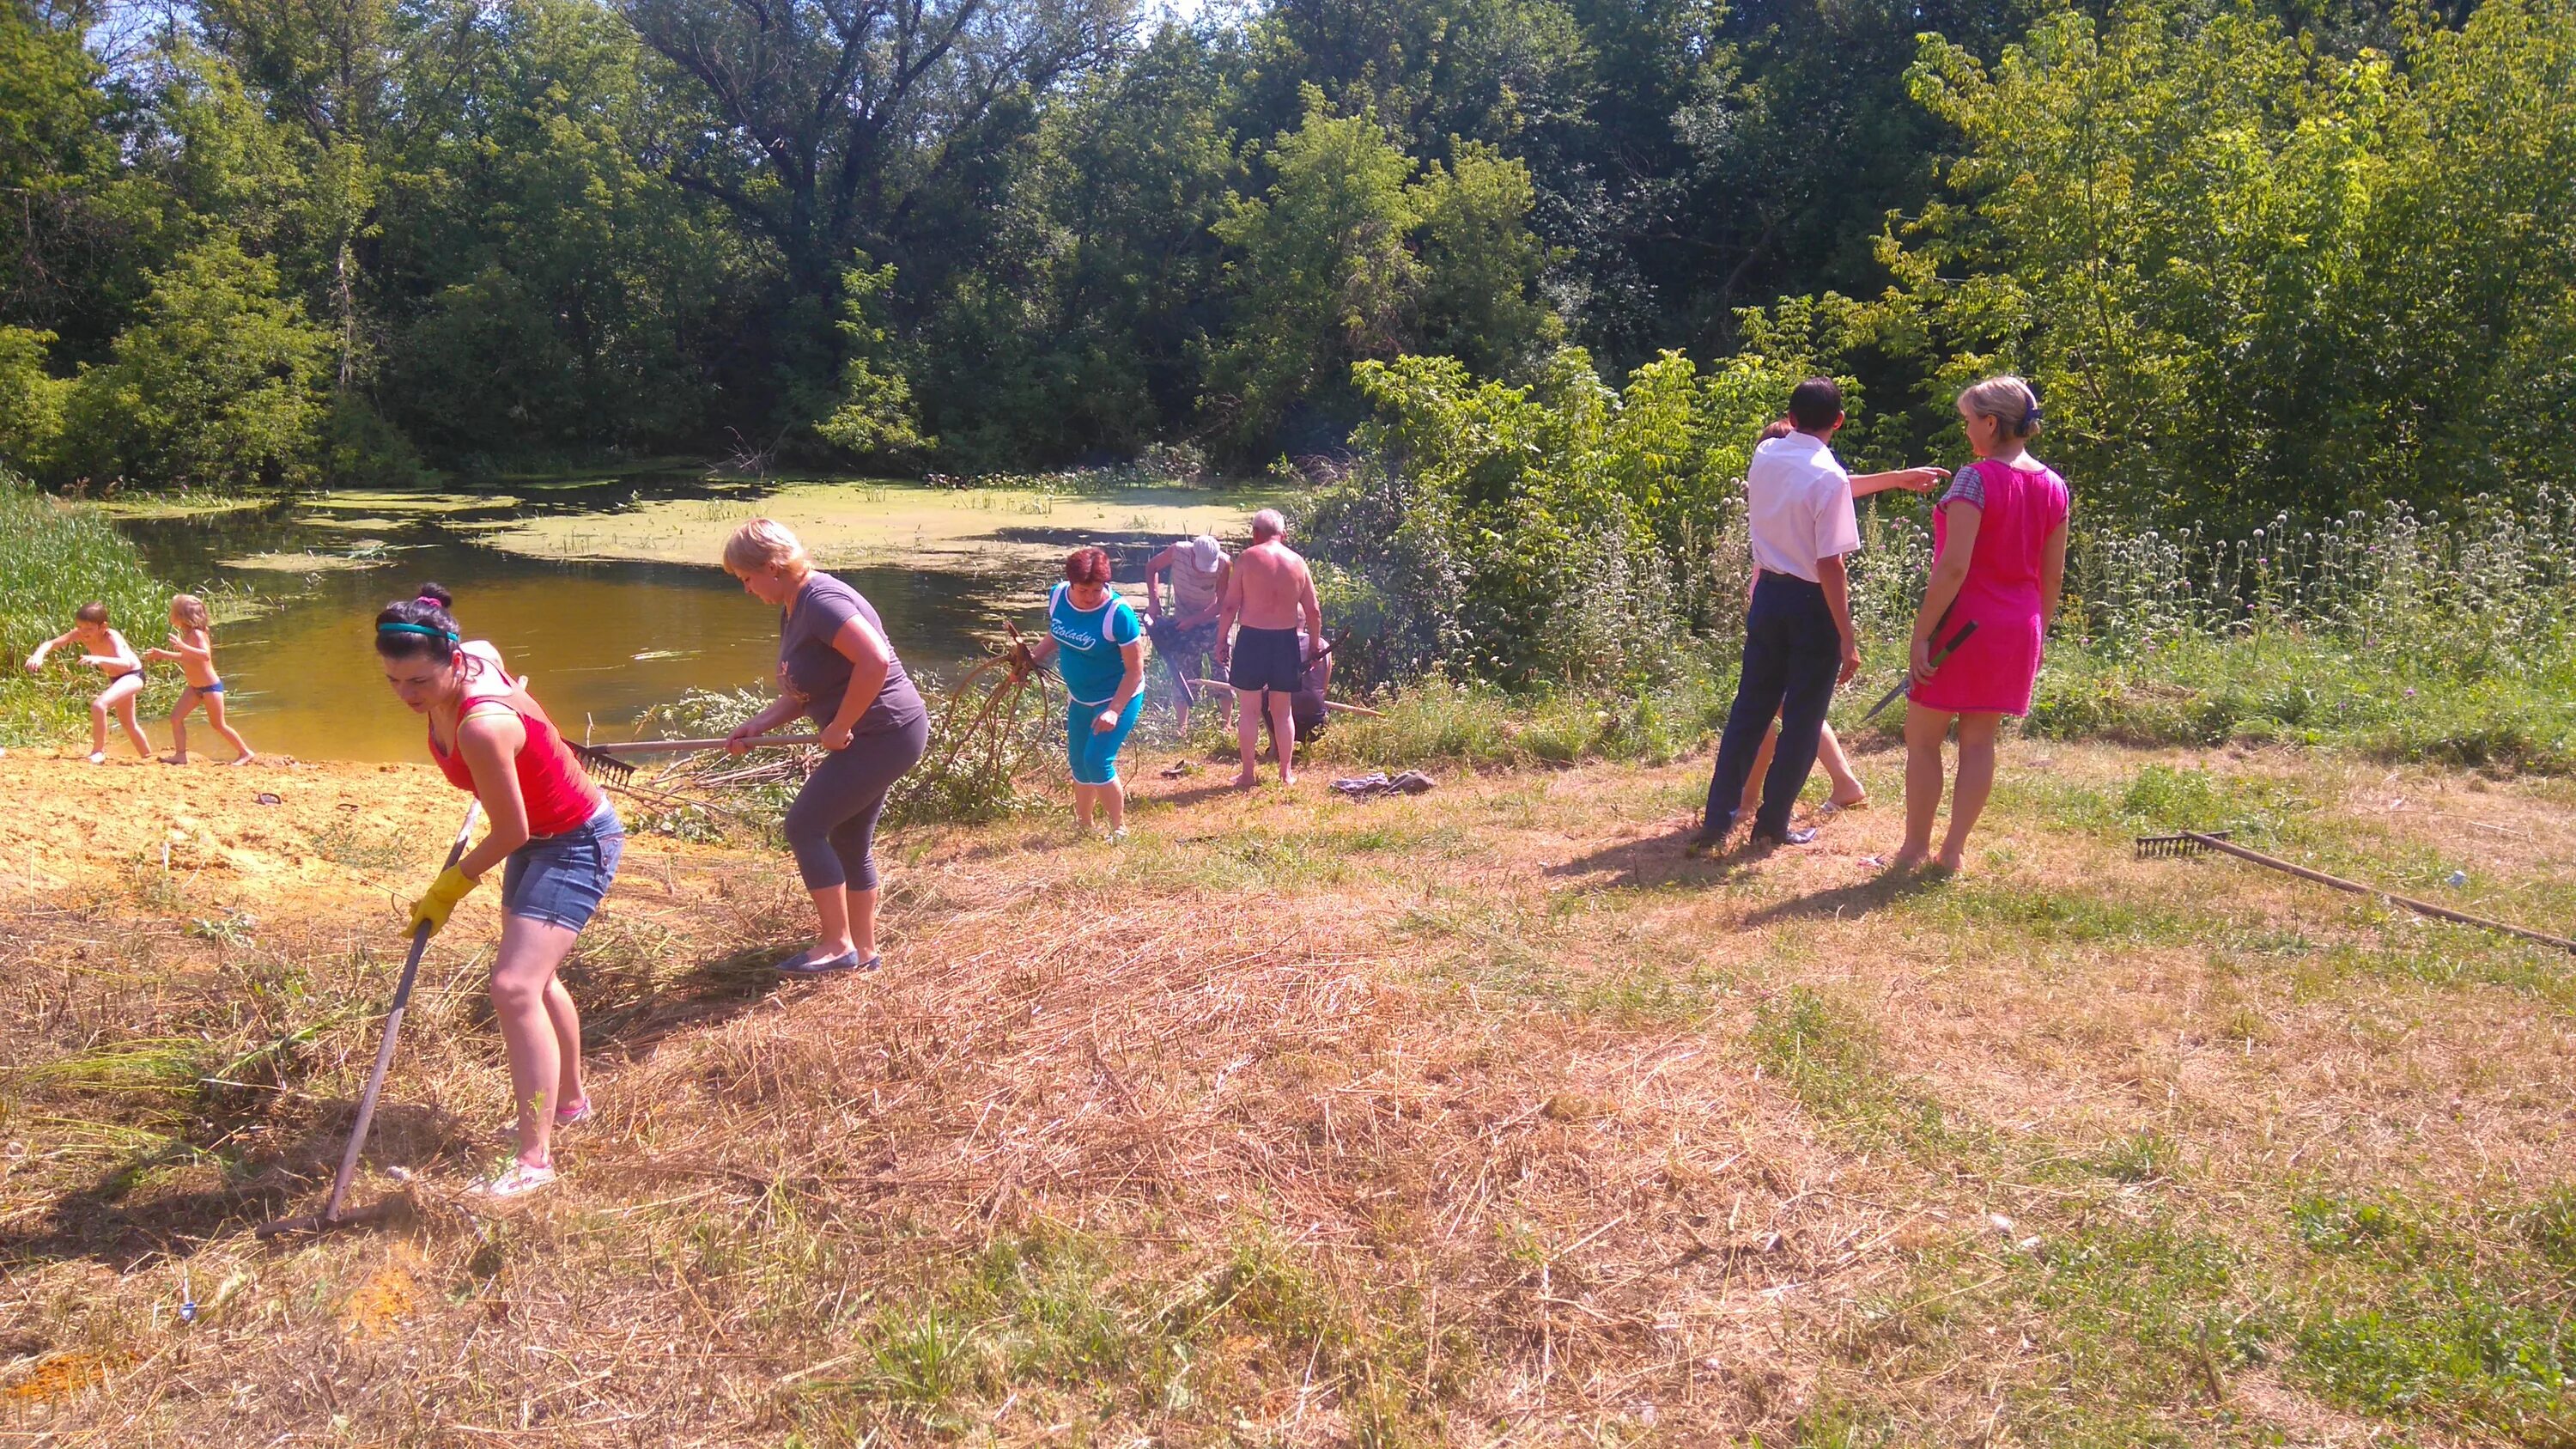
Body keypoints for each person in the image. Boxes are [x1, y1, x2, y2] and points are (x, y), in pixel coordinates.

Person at [376, 591, 623, 1200]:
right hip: (537, 836)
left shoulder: (483, 727)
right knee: (535, 980)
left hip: (574, 839)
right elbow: (491, 651)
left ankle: (534, 1161)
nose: (409, 694)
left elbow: (509, 831)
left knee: (513, 986)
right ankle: (569, 1104)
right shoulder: (474, 655)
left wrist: (452, 882)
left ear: (453, 660)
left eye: (421, 680)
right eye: (394, 680)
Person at [1691, 381, 1948, 853]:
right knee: (1804, 720)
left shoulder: (1767, 454)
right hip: (1811, 606)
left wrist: (1895, 477)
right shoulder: (1825, 477)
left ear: (1790, 416)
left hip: (1768, 595)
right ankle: (1771, 826)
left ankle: (1717, 822)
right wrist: (1847, 637)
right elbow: (1831, 562)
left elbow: (1824, 486)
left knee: (1748, 713)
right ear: (1840, 420)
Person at [720, 519, 929, 974]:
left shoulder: (823, 601)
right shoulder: (794, 604)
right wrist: (760, 723)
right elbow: (808, 688)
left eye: (747, 578)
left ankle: (837, 945)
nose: (747, 589)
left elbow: (874, 660)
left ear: (772, 567)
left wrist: (841, 725)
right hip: (879, 734)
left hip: (884, 733)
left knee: (804, 826)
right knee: (849, 840)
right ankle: (865, 952)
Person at [1891, 376, 2071, 874]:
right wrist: (2038, 634)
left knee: (1923, 737)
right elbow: (2051, 576)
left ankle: (1913, 850)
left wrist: (1921, 634)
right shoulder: (2055, 485)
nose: (1967, 429)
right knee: (1979, 741)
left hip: (1964, 625)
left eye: (1970, 420)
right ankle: (1952, 852)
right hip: (2018, 627)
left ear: (1992, 424)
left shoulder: (1975, 478)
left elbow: (1953, 566)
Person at [1727, 417, 1930, 819]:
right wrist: (1895, 478)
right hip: (1779, 605)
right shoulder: (1785, 473)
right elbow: (1833, 486)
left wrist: (1895, 478)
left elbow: (1834, 491)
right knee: (1791, 707)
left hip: (1784, 607)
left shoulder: (1778, 469)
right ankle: (1843, 783)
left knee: (1771, 709)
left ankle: (1748, 802)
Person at [1024, 547, 1146, 837]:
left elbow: (1135, 670)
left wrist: (1114, 711)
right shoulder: (1058, 596)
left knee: (1097, 760)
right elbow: (1058, 632)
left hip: (1117, 697)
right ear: (1070, 584)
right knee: (1078, 762)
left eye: (1096, 590)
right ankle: (1085, 826)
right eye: (1083, 590)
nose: (1090, 597)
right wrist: (1031, 660)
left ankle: (1119, 830)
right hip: (1080, 697)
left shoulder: (1118, 614)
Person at [1216, 508, 1322, 788]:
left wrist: (1221, 639)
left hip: (1252, 638)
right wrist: (1313, 646)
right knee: (1282, 710)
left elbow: (1229, 605)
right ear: (1283, 535)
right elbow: (1313, 609)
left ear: (1255, 534)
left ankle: (1249, 774)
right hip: (1285, 640)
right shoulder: (1298, 562)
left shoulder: (1248, 558)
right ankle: (1285, 773)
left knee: (1249, 710)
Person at [24, 602, 149, 763]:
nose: (83, 633)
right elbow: (52, 643)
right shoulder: (81, 633)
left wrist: (98, 659)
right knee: (128, 723)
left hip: (133, 675)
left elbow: (126, 663)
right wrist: (38, 656)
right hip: (117, 679)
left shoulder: (112, 637)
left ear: (103, 627)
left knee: (99, 705)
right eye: (79, 627)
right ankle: (148, 757)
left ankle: (98, 751)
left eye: (89, 629)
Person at [142, 594, 254, 765]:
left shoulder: (197, 634)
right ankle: (180, 755)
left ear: (181, 616)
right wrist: (163, 654)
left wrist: (182, 645)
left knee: (218, 724)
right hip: (195, 688)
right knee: (175, 718)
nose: (169, 615)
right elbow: (187, 657)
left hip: (210, 688)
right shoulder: (188, 634)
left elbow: (204, 656)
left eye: (172, 612)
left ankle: (245, 752)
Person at [1142, 533, 1230, 734]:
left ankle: (1227, 726)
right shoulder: (1178, 551)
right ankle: (1181, 728)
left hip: (1212, 624)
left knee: (1222, 672)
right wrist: (1154, 602)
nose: (1203, 571)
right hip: (1182, 621)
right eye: (1200, 565)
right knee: (1183, 674)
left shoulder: (1224, 564)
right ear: (1192, 554)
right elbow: (1151, 567)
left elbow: (1221, 604)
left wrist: (1194, 621)